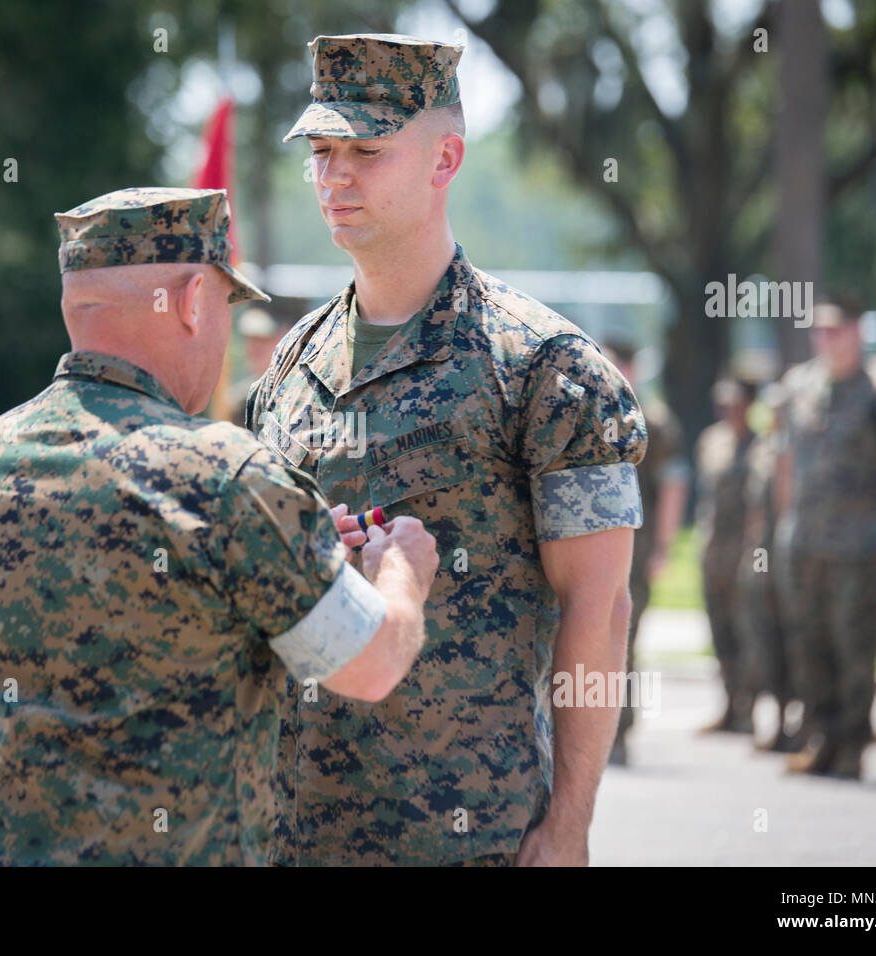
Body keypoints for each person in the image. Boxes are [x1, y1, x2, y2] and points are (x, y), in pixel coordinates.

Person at [0, 187, 439, 865]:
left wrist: (294, 556)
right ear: (195, 300)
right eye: (228, 306)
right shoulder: (227, 475)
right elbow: (370, 666)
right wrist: (400, 572)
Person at [246, 34, 647, 865]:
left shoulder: (543, 367)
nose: (335, 177)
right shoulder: (291, 362)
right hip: (290, 830)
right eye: (321, 152)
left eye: (367, 150)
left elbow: (600, 608)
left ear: (445, 158)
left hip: (465, 832)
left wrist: (570, 821)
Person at [774, 296, 876, 779]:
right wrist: (784, 523)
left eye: (837, 330)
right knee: (809, 642)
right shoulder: (799, 386)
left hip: (861, 544)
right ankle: (822, 737)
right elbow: (786, 460)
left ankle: (852, 745)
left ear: (859, 332)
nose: (827, 339)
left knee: (855, 645)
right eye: (821, 330)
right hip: (805, 542)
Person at [602, 341, 689, 763]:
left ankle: (618, 732)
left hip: (635, 550)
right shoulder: (590, 413)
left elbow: (674, 487)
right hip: (593, 549)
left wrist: (664, 548)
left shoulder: (652, 421)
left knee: (623, 640)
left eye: (617, 364)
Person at [737, 383, 802, 752]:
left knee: (798, 641)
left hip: (793, 560)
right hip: (763, 559)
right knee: (768, 639)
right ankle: (778, 720)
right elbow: (756, 510)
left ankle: (805, 724)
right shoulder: (762, 449)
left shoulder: (799, 448)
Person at [694, 378, 757, 734]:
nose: (728, 409)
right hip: (713, 550)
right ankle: (730, 703)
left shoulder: (760, 445)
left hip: (743, 554)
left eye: (734, 402)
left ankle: (747, 707)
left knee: (745, 632)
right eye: (723, 403)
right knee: (719, 630)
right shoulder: (710, 441)